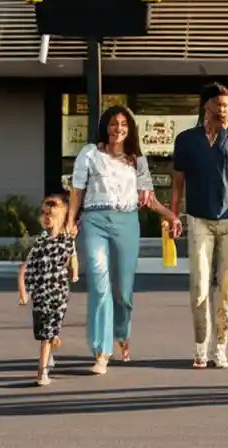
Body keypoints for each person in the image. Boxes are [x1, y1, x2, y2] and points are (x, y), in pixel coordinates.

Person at [70, 105, 183, 375]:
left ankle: (121, 332)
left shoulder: (137, 161)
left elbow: (149, 199)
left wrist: (171, 216)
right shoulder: (90, 154)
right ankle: (101, 351)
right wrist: (70, 222)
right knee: (99, 284)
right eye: (112, 123)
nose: (117, 128)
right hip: (95, 220)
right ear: (105, 127)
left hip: (126, 222)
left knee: (122, 290)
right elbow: (76, 191)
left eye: (123, 124)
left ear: (129, 129)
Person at [172, 81, 228, 370]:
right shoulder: (186, 139)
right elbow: (177, 182)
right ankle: (201, 346)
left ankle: (220, 346)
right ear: (206, 106)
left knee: (227, 287)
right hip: (199, 220)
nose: (224, 110)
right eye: (219, 105)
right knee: (199, 285)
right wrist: (174, 215)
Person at [18, 193, 79, 386]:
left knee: (45, 334)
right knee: (42, 332)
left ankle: (41, 372)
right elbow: (25, 268)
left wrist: (75, 273)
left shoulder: (67, 240)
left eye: (51, 214)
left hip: (59, 293)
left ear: (61, 217)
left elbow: (73, 257)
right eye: (44, 213)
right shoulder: (40, 242)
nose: (47, 218)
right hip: (40, 293)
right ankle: (53, 338)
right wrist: (24, 293)